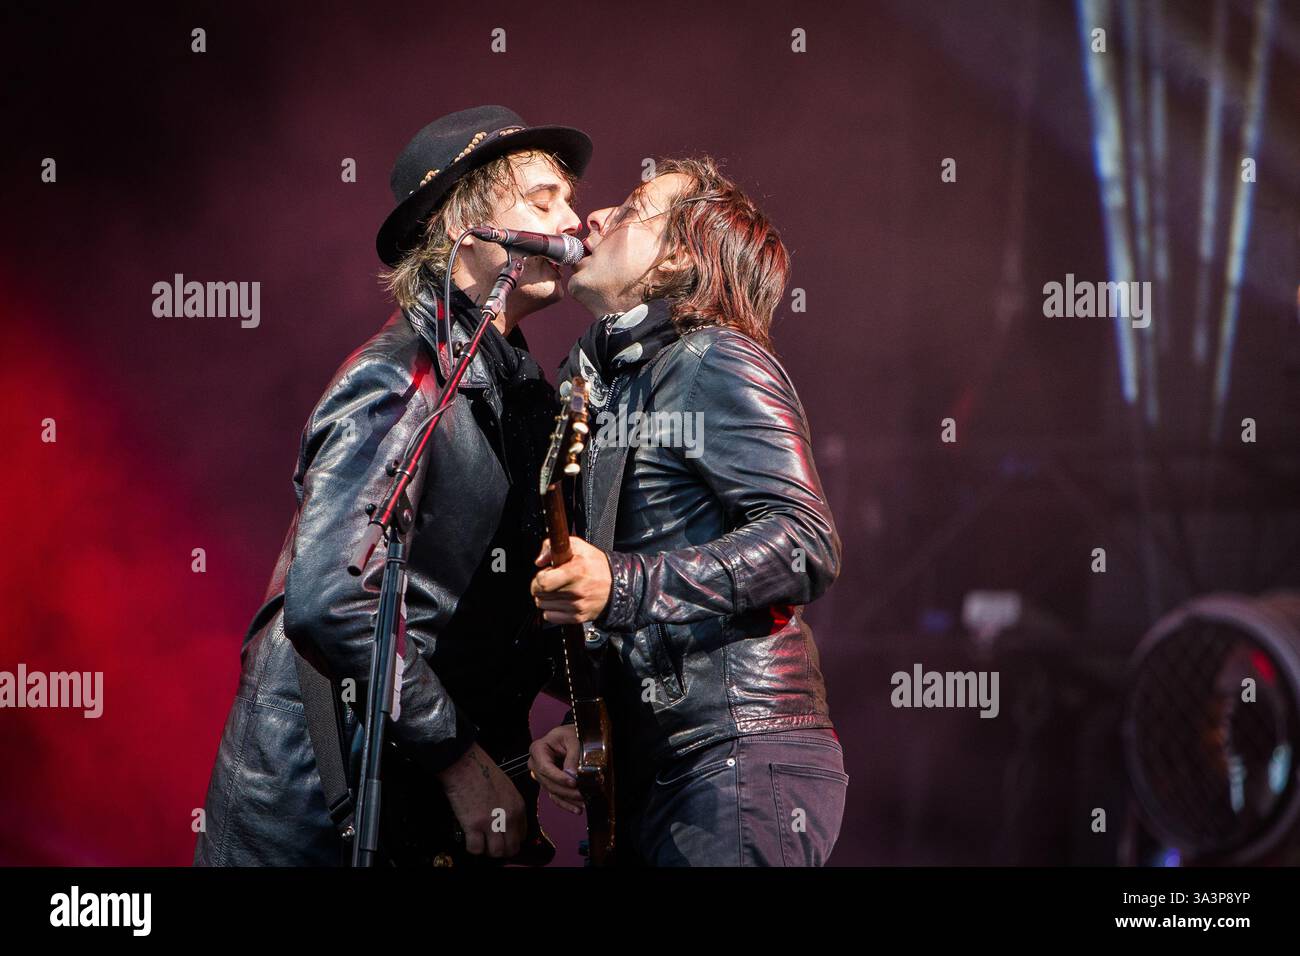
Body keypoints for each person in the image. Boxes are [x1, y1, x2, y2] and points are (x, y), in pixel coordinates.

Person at [195, 105, 589, 865]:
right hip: (325, 803)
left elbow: (489, 600)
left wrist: (576, 704)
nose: (572, 221)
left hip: (427, 791)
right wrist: (459, 760)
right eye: (543, 201)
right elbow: (331, 596)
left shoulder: (525, 394)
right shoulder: (397, 376)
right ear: (460, 227)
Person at [528, 157, 847, 866]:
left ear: (677, 257)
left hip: (738, 755)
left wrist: (623, 584)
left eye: (632, 207)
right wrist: (588, 716)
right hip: (661, 764)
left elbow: (805, 543)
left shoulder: (714, 359)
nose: (594, 217)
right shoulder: (611, 382)